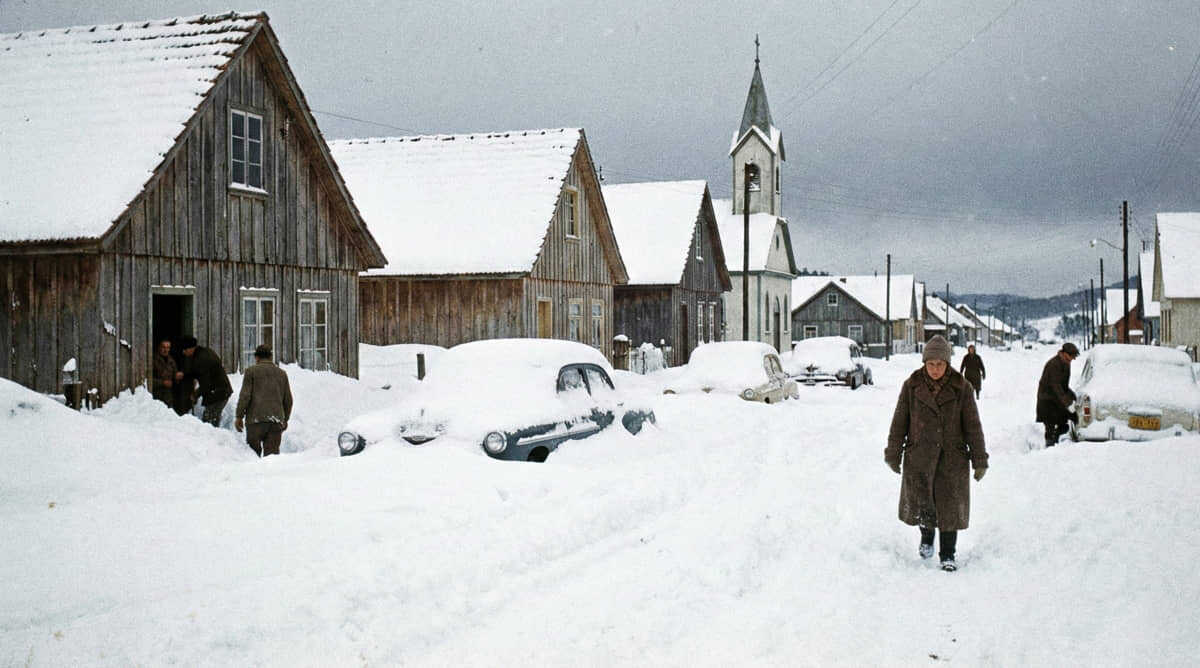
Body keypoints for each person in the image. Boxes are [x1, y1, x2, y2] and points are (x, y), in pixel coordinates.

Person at [885, 335, 988, 572]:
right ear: (924, 363)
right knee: (924, 504)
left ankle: (948, 553)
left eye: (940, 364)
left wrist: (979, 459)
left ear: (948, 363)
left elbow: (973, 426)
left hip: (952, 459)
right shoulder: (911, 386)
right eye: (930, 364)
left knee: (949, 506)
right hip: (919, 456)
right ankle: (926, 538)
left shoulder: (962, 387)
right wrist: (893, 453)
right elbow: (900, 421)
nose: (934, 369)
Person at [235, 344, 293, 457]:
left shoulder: (251, 372)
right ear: (270, 357)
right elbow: (288, 400)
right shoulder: (282, 374)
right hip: (275, 422)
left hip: (255, 421)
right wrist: (285, 419)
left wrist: (239, 416)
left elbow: (245, 396)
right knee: (271, 459)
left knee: (253, 456)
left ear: (256, 357)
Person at [179, 335, 233, 427]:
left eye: (185, 349)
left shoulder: (201, 359)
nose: (183, 352)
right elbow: (199, 372)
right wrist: (185, 375)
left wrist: (195, 395)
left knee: (209, 423)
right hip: (220, 391)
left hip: (218, 393)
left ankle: (214, 439)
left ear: (191, 348)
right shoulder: (204, 352)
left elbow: (206, 384)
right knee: (211, 420)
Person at [1036, 342, 1079, 448]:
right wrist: (1068, 403)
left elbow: (1063, 386)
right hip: (1047, 400)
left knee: (1064, 424)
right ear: (1064, 353)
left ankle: (1057, 442)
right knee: (1050, 426)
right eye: (1071, 356)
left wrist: (1073, 396)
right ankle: (1049, 449)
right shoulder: (1054, 365)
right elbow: (1056, 387)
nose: (1072, 359)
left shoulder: (1065, 363)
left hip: (1057, 398)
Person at [150, 339, 183, 408]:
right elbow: (147, 380)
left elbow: (175, 377)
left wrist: (178, 377)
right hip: (156, 397)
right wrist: (162, 383)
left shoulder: (171, 361)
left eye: (168, 347)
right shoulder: (152, 360)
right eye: (163, 347)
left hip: (169, 397)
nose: (166, 350)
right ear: (159, 347)